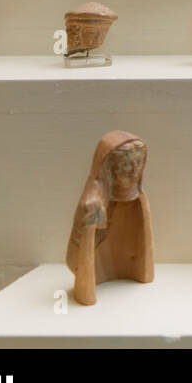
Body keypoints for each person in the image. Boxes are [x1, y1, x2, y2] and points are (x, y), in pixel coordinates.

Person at [66, 131, 153, 306]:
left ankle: (132, 272)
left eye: (138, 164)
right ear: (108, 168)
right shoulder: (92, 206)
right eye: (126, 165)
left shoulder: (140, 199)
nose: (133, 172)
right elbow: (81, 257)